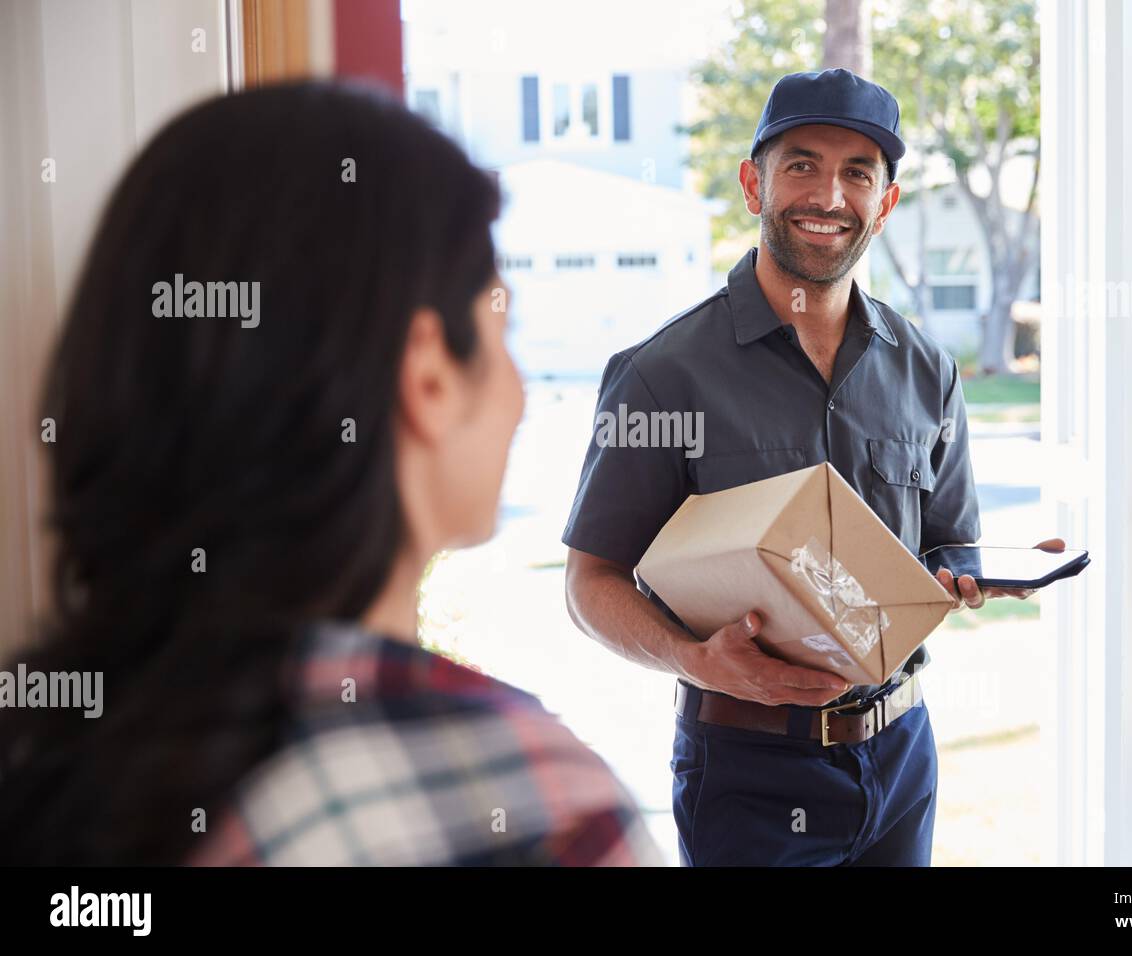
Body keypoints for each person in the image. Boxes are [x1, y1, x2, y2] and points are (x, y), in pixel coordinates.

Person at [0, 81, 660, 867]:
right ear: (428, 377)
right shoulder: (531, 809)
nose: (517, 388)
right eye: (500, 323)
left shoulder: (43, 746)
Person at [563, 68, 1063, 866]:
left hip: (902, 757)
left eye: (858, 173)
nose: (828, 195)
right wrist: (695, 660)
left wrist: (976, 575)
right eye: (802, 164)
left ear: (886, 203)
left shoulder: (928, 370)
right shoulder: (662, 375)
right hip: (747, 772)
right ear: (752, 183)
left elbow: (942, 553)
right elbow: (590, 583)